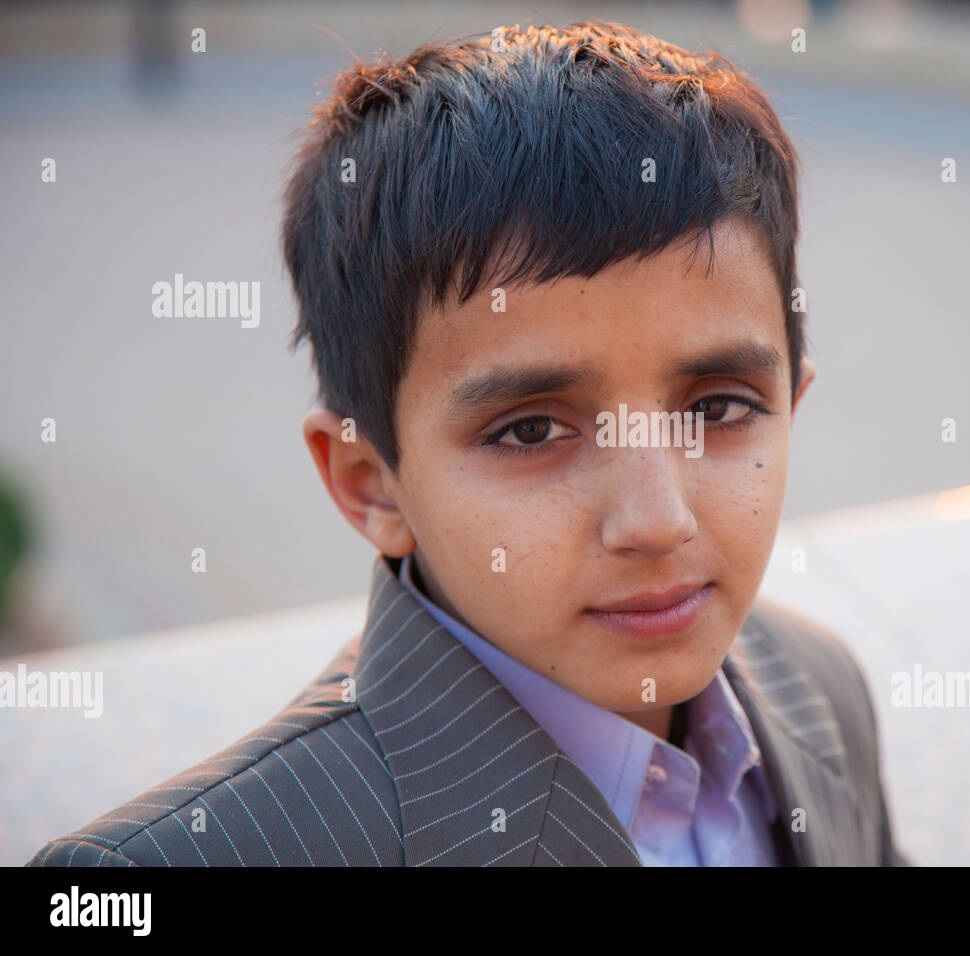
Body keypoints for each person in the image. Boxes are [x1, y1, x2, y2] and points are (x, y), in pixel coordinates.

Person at [27, 20, 906, 867]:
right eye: (531, 430)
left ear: (794, 398)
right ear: (372, 484)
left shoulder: (817, 690)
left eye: (718, 408)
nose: (656, 520)